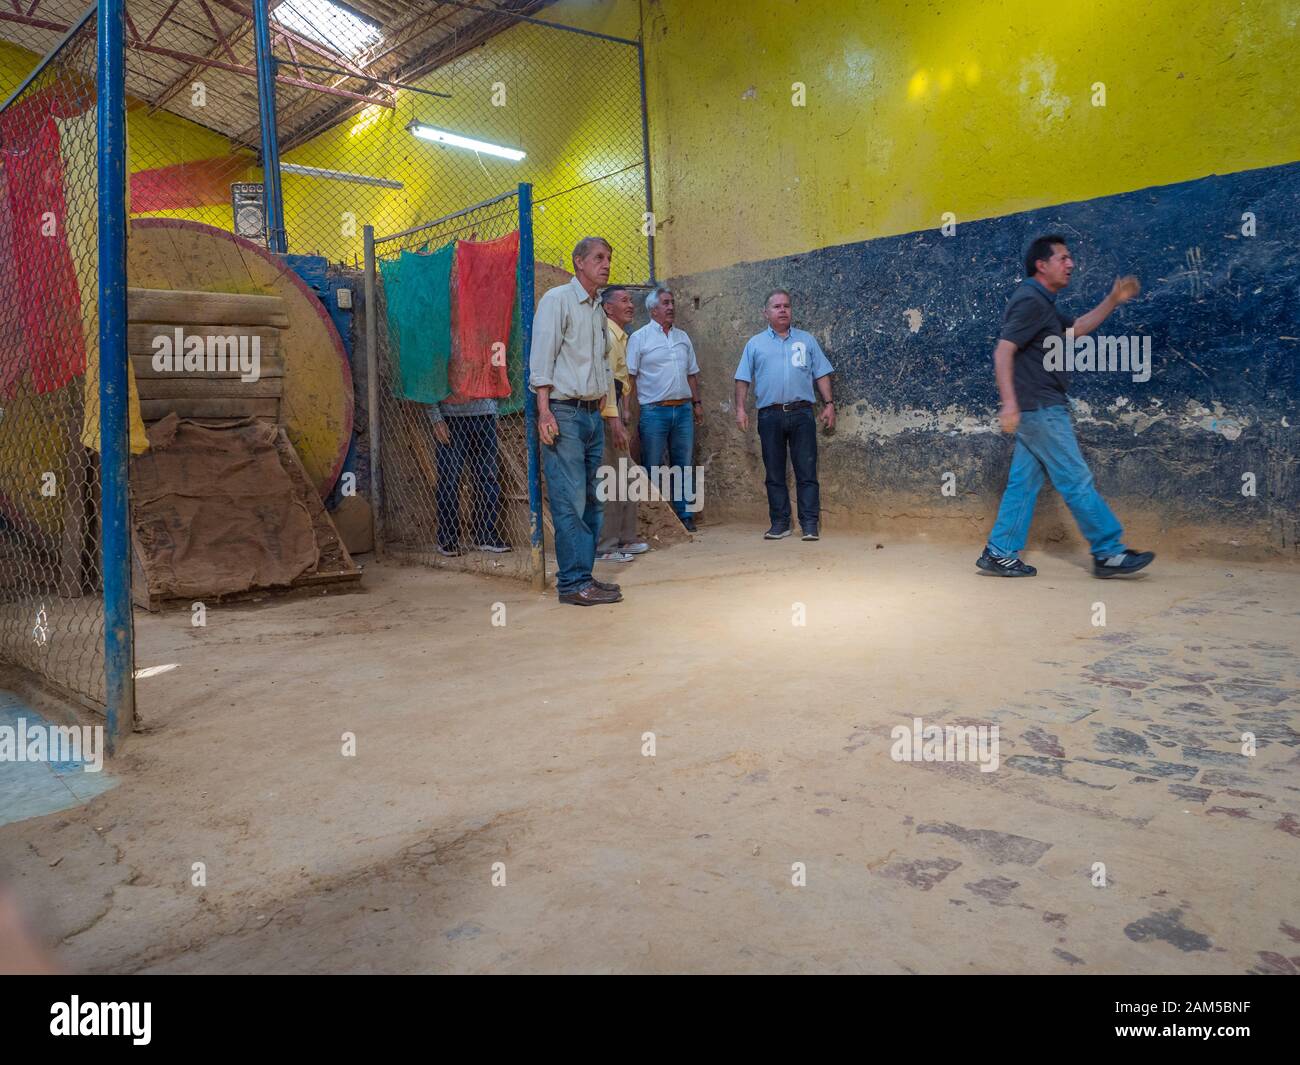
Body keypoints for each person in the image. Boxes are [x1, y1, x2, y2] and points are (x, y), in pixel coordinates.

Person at [978, 234, 1155, 578]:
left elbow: (1076, 331)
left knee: (1024, 483)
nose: (1071, 264)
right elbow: (1003, 351)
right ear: (1041, 265)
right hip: (1040, 408)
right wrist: (1009, 404)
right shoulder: (1029, 299)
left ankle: (1000, 552)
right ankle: (1108, 551)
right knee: (1076, 478)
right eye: (1063, 258)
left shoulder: (1043, 304)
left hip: (1038, 408)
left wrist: (1112, 299)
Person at [529, 237, 629, 606]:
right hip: (563, 414)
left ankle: (584, 577)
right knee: (569, 501)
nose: (606, 264)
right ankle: (571, 584)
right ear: (579, 263)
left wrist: (606, 405)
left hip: (590, 416)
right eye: (599, 258)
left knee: (592, 500)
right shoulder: (557, 301)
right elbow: (542, 358)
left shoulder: (596, 311)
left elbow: (604, 363)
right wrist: (544, 411)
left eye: (609, 257)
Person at [733, 289, 834, 541]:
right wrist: (741, 409)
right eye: (776, 306)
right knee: (774, 472)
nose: (782, 310)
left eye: (786, 306)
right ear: (765, 313)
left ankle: (809, 524)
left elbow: (821, 373)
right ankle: (780, 523)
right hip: (770, 416)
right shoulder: (755, 344)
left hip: (802, 413)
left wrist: (829, 403)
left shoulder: (807, 340)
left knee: (806, 471)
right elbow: (743, 378)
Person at [626, 286, 702, 532]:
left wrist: (696, 404)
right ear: (652, 309)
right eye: (666, 303)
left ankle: (685, 515)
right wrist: (629, 411)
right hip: (653, 412)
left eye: (672, 303)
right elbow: (630, 378)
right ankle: (658, 520)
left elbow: (692, 374)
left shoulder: (682, 337)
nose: (671, 307)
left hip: (683, 411)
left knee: (684, 464)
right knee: (653, 465)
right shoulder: (639, 338)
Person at [596, 285, 650, 563]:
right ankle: (606, 546)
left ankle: (626, 539)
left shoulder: (623, 336)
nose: (631, 305)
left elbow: (623, 382)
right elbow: (607, 382)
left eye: (631, 300)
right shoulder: (606, 334)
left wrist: (626, 411)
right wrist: (614, 419)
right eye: (624, 300)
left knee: (626, 476)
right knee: (610, 478)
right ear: (608, 307)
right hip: (606, 414)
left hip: (617, 411)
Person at [429, 398, 510, 557]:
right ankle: (448, 538)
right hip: (451, 416)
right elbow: (430, 380)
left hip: (485, 415)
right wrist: (436, 418)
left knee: (488, 477)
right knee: (450, 478)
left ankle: (485, 535)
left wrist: (495, 414)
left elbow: (496, 377)